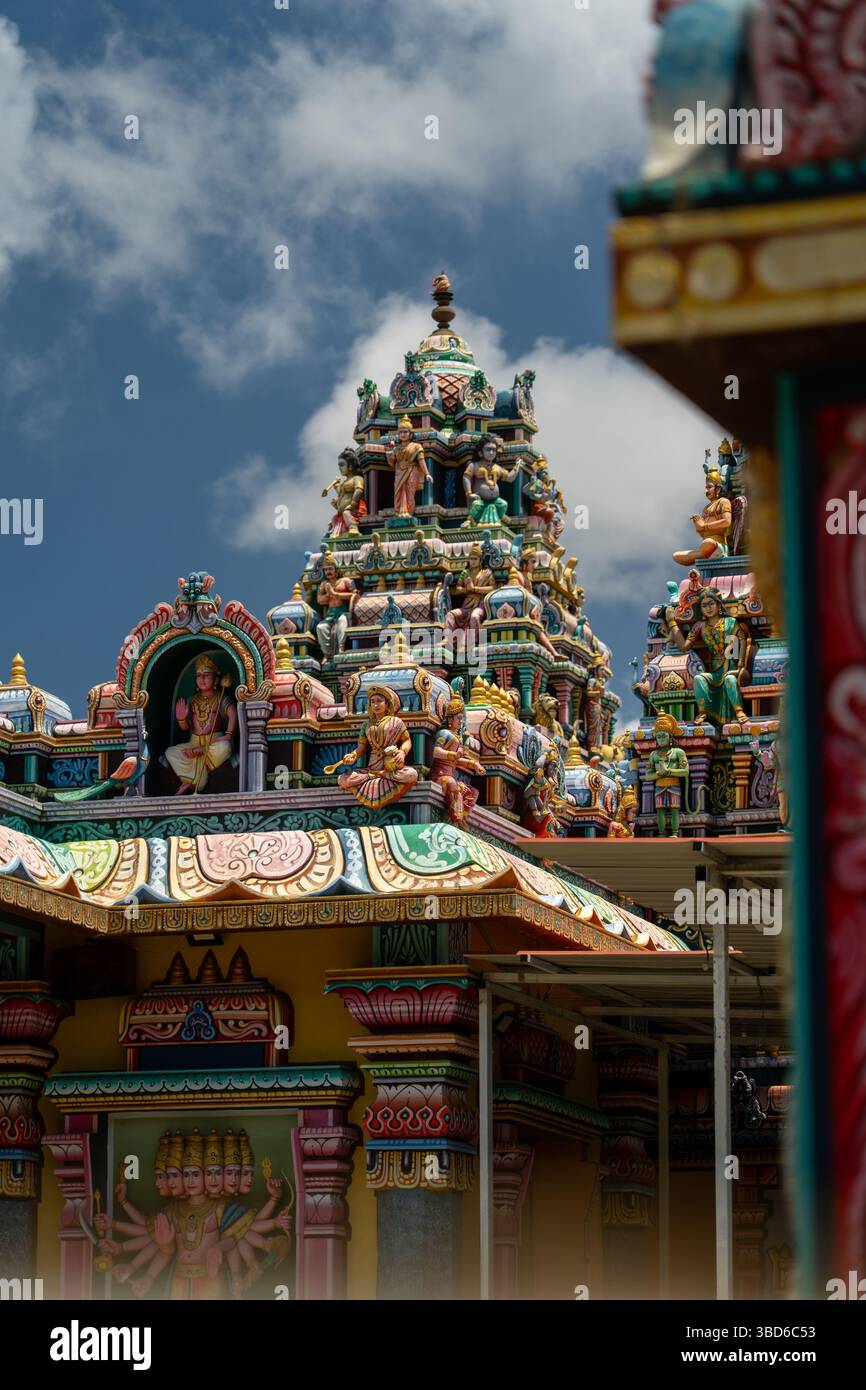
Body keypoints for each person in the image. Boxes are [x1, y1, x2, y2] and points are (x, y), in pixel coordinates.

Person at [165, 655, 236, 794]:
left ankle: (190, 779)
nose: (202, 679)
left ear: (216, 679)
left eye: (206, 675)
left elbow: (233, 713)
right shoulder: (192, 700)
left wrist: (228, 735)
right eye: (199, 675)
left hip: (214, 741)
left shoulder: (221, 697)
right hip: (194, 742)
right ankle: (198, 777)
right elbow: (186, 728)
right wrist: (181, 719)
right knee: (171, 752)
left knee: (225, 747)